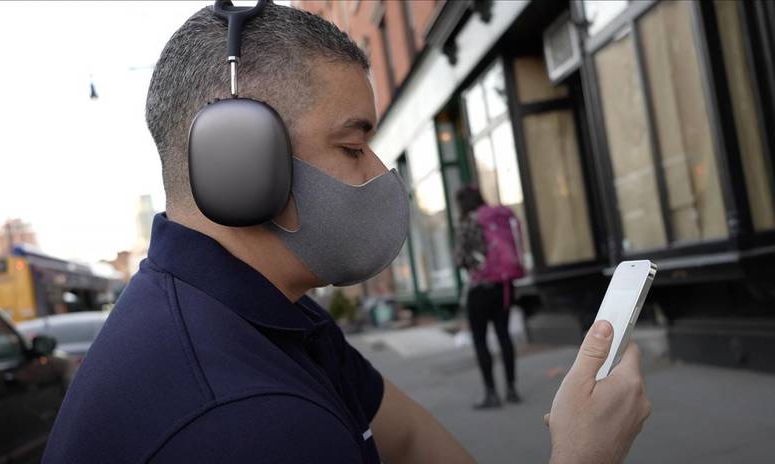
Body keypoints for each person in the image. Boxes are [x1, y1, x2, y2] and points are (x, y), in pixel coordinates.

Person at [43, 3, 651, 463]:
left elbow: (410, 441)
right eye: (354, 147)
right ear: (241, 162)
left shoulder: (275, 318)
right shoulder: (243, 422)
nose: (381, 174)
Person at [454, 186, 522, 409]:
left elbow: (460, 259)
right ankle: (511, 389)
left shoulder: (467, 223)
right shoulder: (495, 218)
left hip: (479, 289)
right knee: (504, 335)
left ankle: (491, 394)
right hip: (504, 286)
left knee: (481, 340)